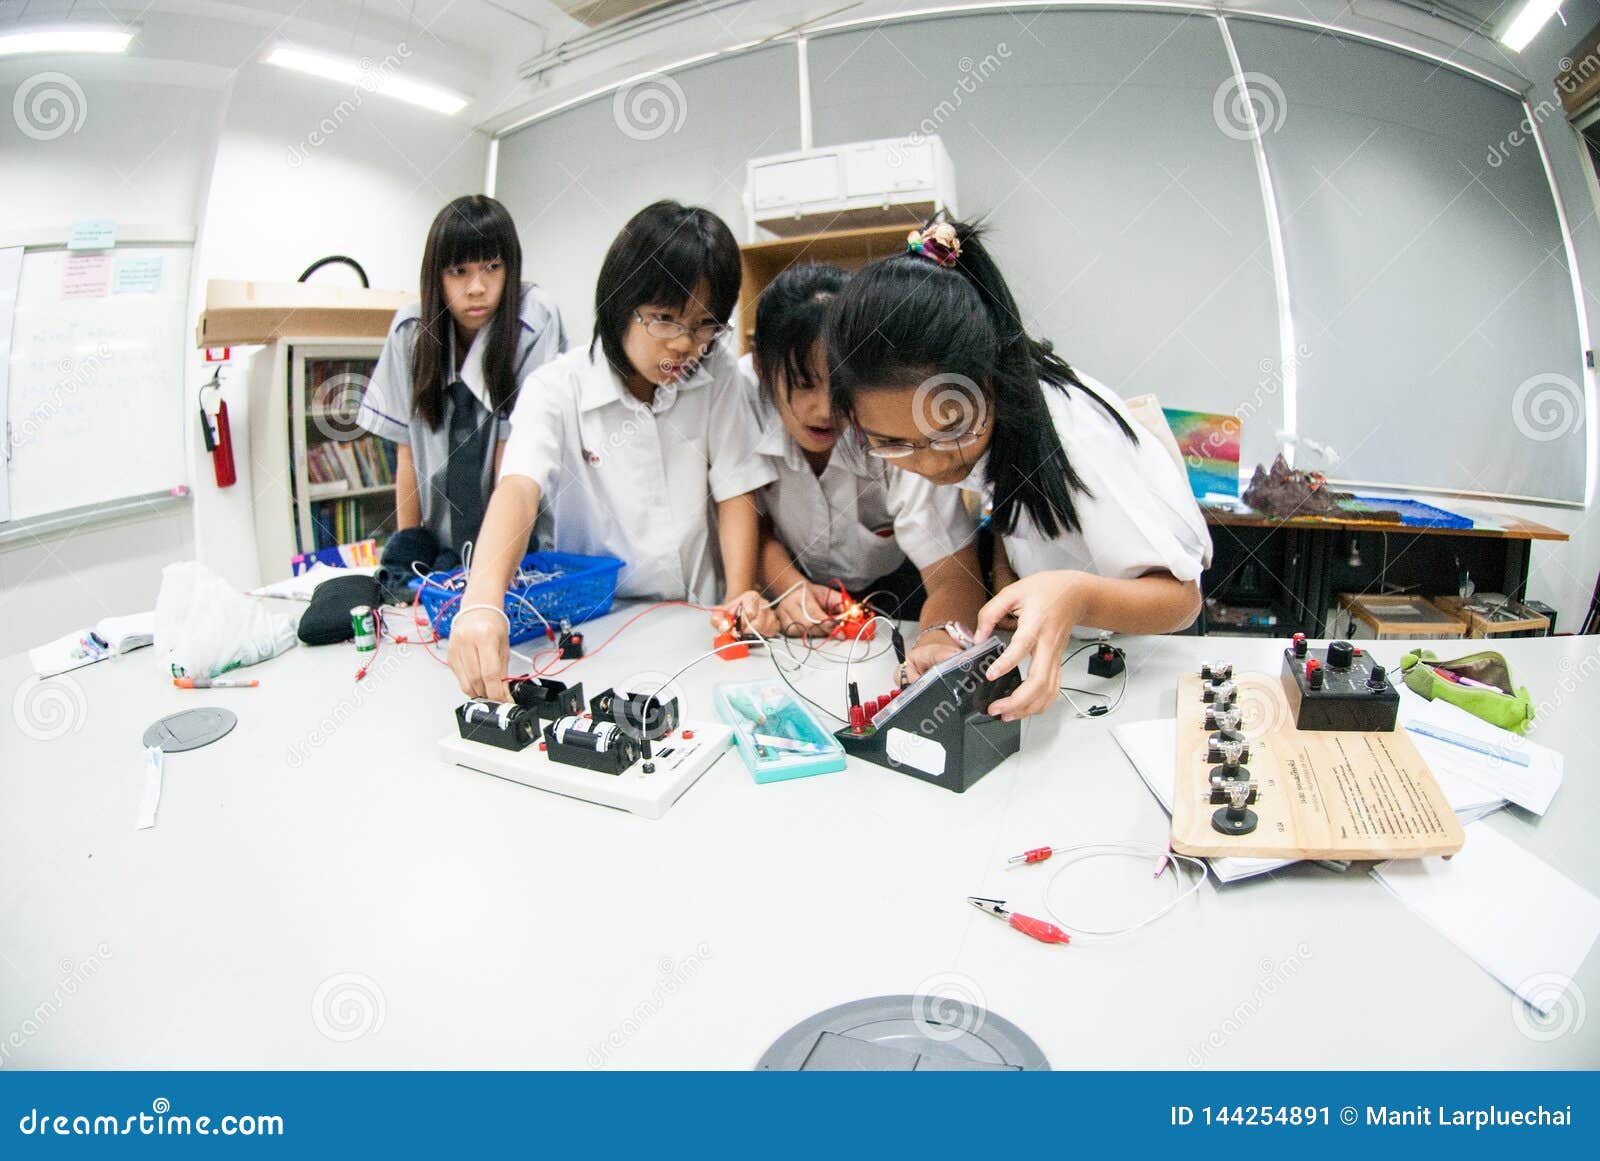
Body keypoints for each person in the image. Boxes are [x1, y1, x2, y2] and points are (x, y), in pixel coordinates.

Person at [827, 219, 1211, 719]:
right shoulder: (919, 428)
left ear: (991, 379)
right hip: (1067, 662)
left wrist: (1075, 595)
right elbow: (954, 575)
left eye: (951, 432)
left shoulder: (1075, 436)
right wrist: (943, 638)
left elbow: (1182, 600)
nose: (930, 462)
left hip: (1144, 660)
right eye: (893, 444)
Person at [446, 200, 774, 701]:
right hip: (598, 627)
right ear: (620, 302)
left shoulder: (717, 373)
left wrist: (736, 598)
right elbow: (518, 487)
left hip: (697, 618)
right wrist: (482, 604)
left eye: (705, 325)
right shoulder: (556, 388)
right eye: (665, 319)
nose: (686, 345)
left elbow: (735, 488)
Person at [356, 194, 565, 566]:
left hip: (522, 537)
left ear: (510, 268)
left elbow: (514, 455)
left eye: (492, 267)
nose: (476, 288)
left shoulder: (533, 322)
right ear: (436, 275)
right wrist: (410, 550)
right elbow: (406, 452)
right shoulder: (411, 332)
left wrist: (495, 569)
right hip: (444, 546)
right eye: (459, 271)